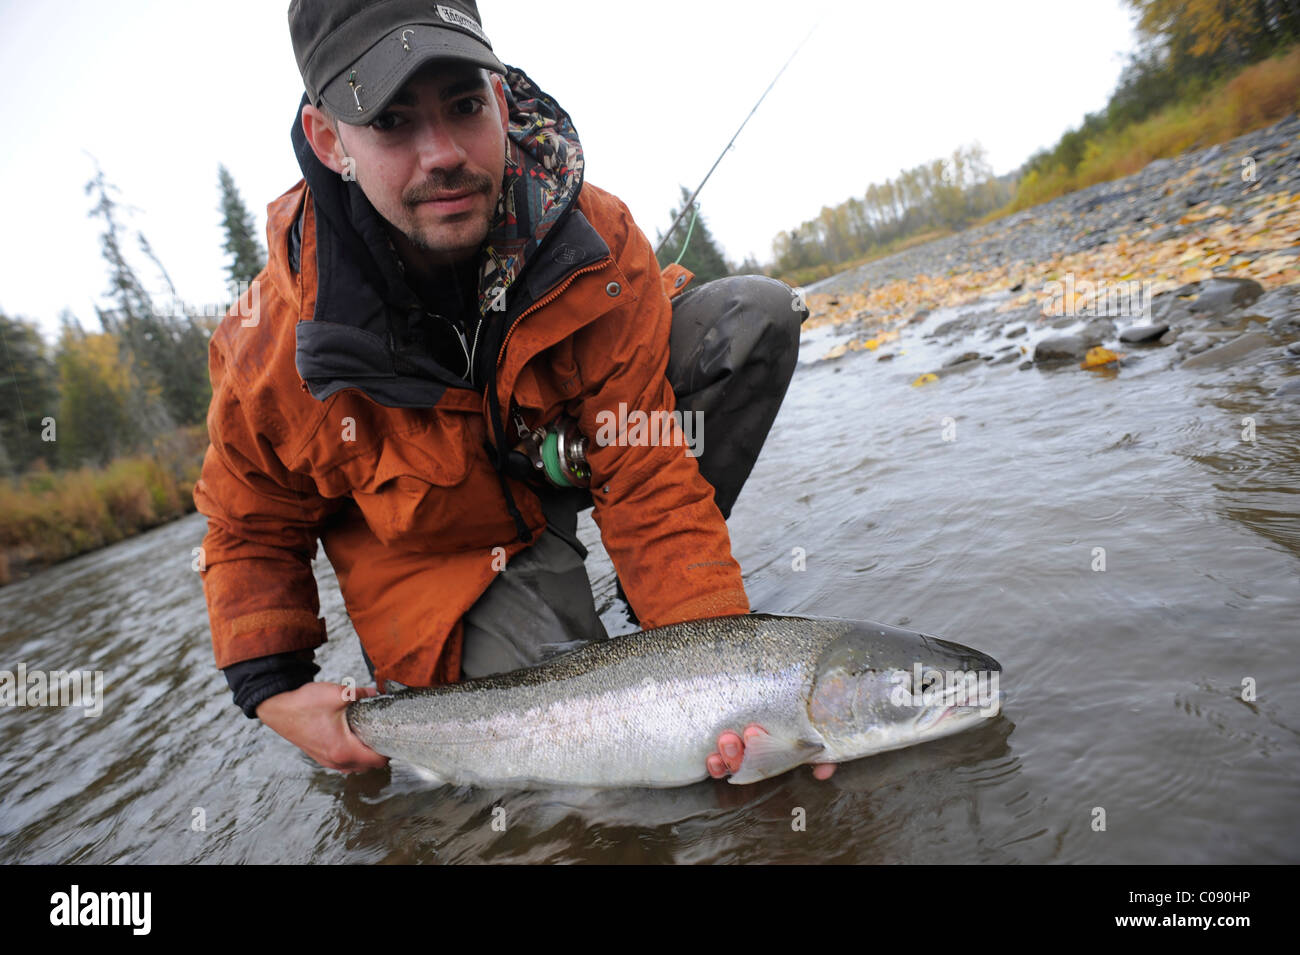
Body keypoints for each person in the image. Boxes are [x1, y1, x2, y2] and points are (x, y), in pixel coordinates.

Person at [194, 0, 829, 782]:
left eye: (463, 106)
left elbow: (650, 474)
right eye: (391, 122)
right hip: (443, 555)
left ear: (500, 98)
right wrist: (274, 688)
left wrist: (724, 684)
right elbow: (247, 529)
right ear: (331, 142)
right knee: (566, 781)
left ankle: (652, 625)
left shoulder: (594, 244)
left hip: (559, 452)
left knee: (753, 318)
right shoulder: (270, 344)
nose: (441, 155)